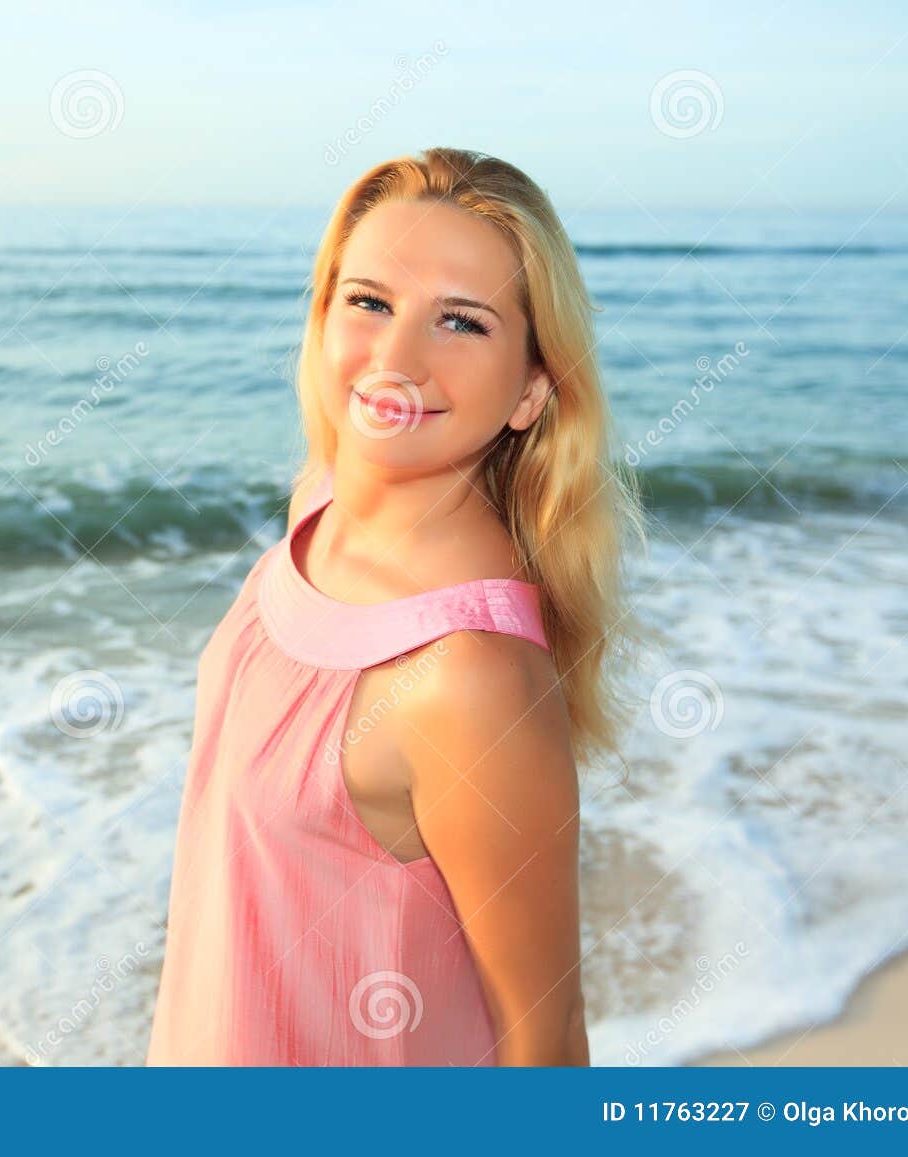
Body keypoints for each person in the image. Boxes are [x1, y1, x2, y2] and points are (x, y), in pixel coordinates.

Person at [146, 146, 642, 1066]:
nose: (397, 360)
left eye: (461, 321)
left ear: (533, 388)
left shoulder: (470, 678)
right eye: (370, 301)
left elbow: (547, 1040)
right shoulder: (320, 505)